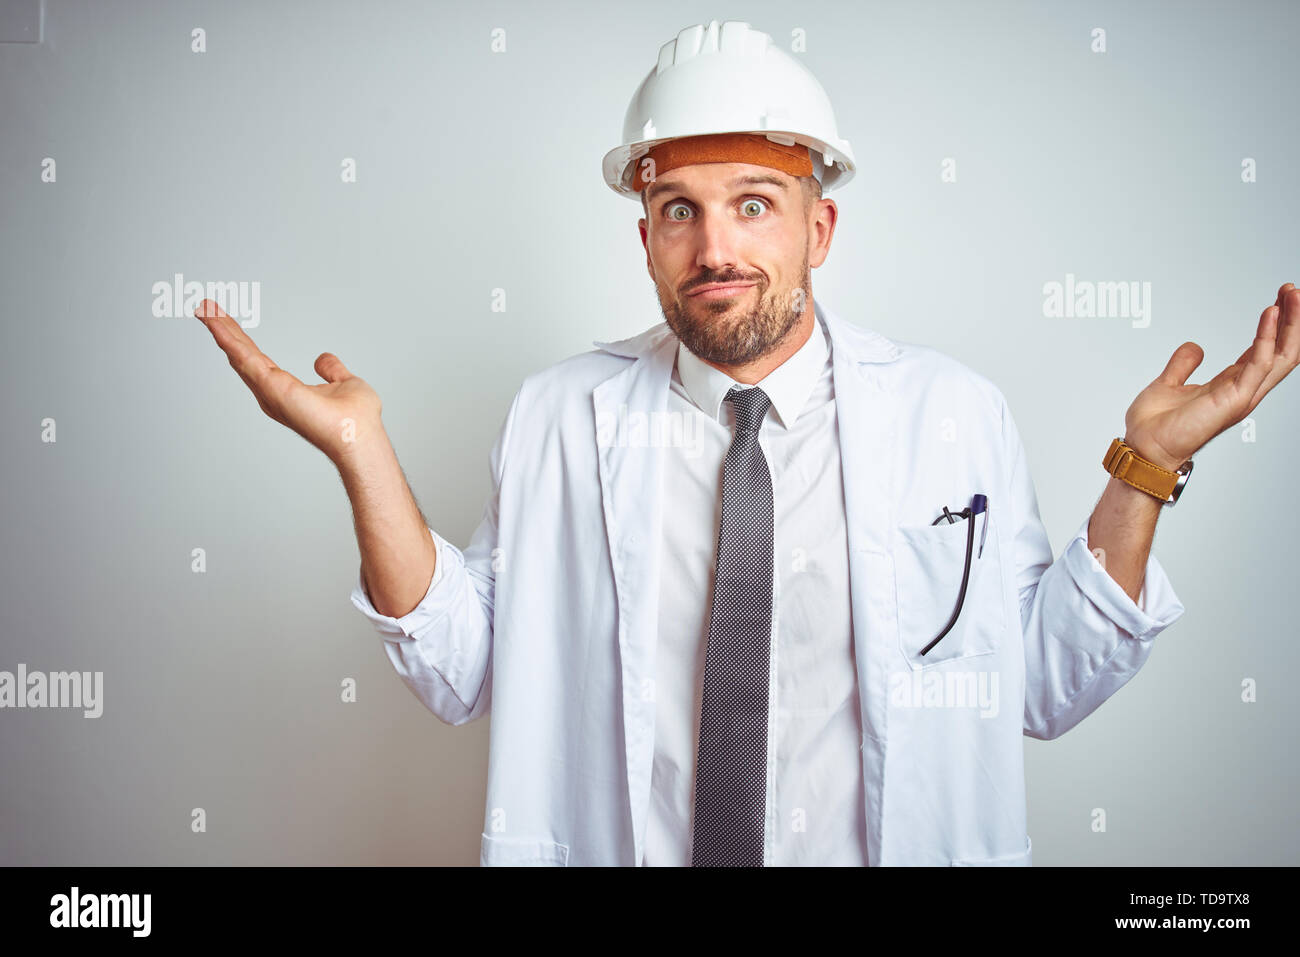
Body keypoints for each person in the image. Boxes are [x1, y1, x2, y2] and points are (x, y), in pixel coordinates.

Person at [195, 19, 1299, 866]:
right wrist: (362, 458)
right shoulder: (557, 415)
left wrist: (1145, 472)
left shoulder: (950, 413)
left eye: (755, 203)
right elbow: (462, 666)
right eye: (679, 209)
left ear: (820, 227)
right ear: (644, 238)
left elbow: (1042, 685)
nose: (713, 246)